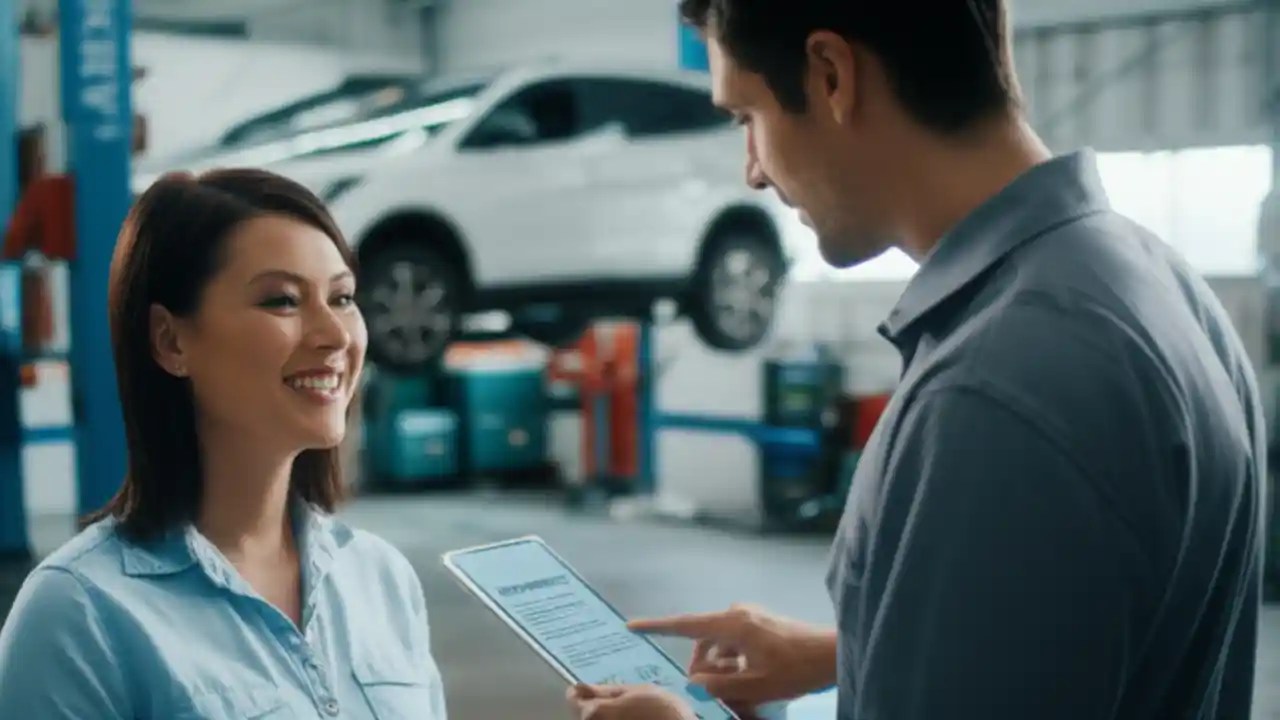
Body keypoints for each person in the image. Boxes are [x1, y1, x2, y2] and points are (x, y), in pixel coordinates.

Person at [568, 1, 1266, 719]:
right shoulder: (1151, 278)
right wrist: (857, 648)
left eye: (747, 117)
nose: (753, 171)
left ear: (831, 74)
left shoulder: (998, 389)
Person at [0, 169, 448, 719]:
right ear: (170, 340)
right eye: (283, 301)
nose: (333, 335)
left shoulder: (381, 580)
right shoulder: (81, 613)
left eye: (343, 297)